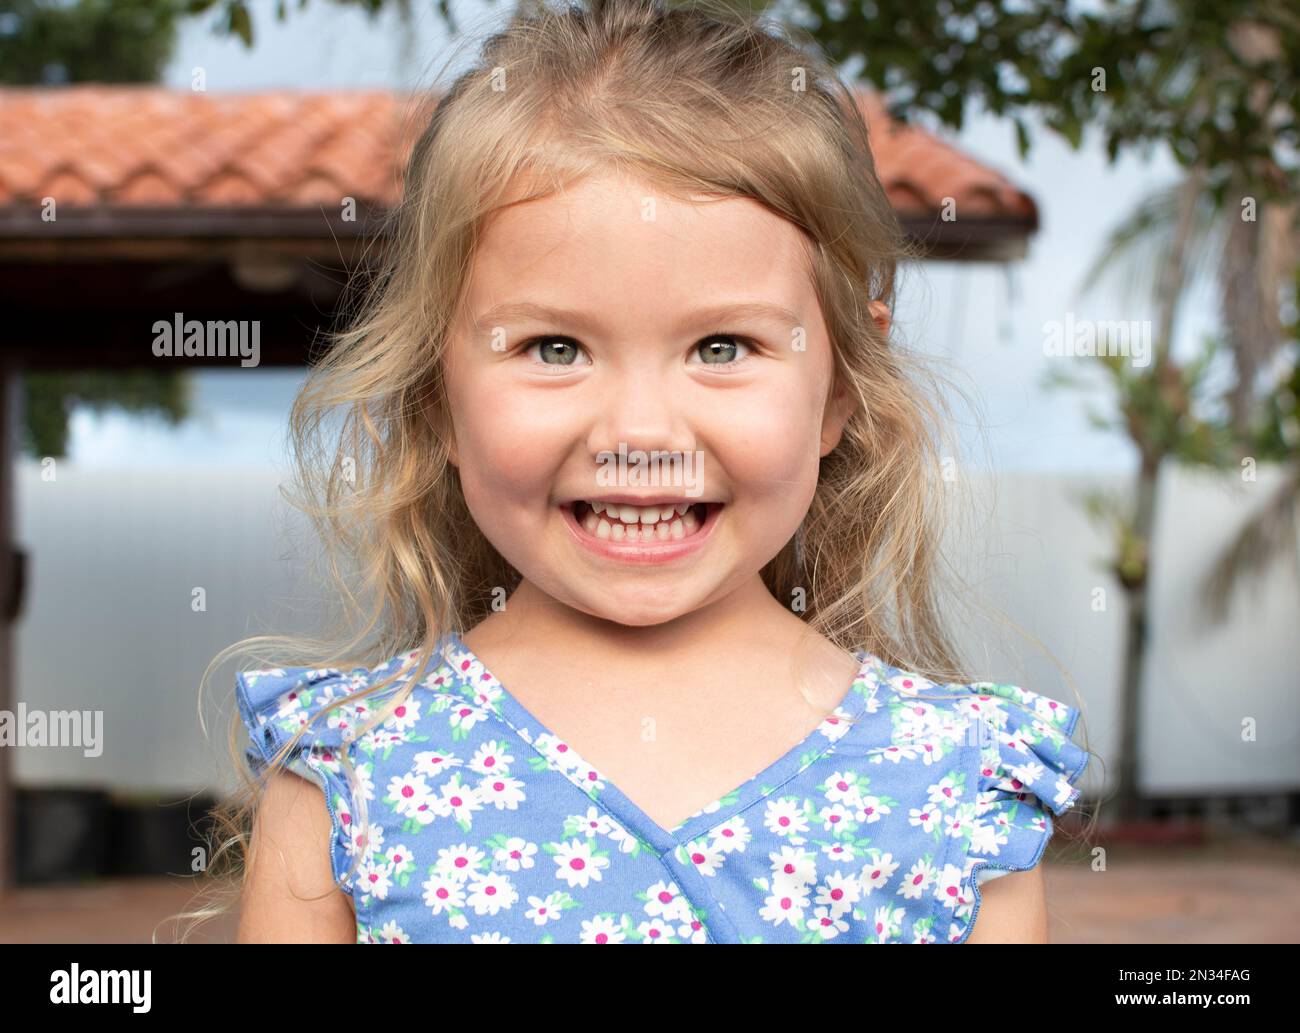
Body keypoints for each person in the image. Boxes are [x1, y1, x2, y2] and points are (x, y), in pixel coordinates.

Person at [215, 0, 1093, 944]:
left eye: (722, 345)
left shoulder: (961, 786)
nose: (639, 433)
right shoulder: (350, 772)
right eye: (553, 347)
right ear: (438, 396)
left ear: (839, 382)